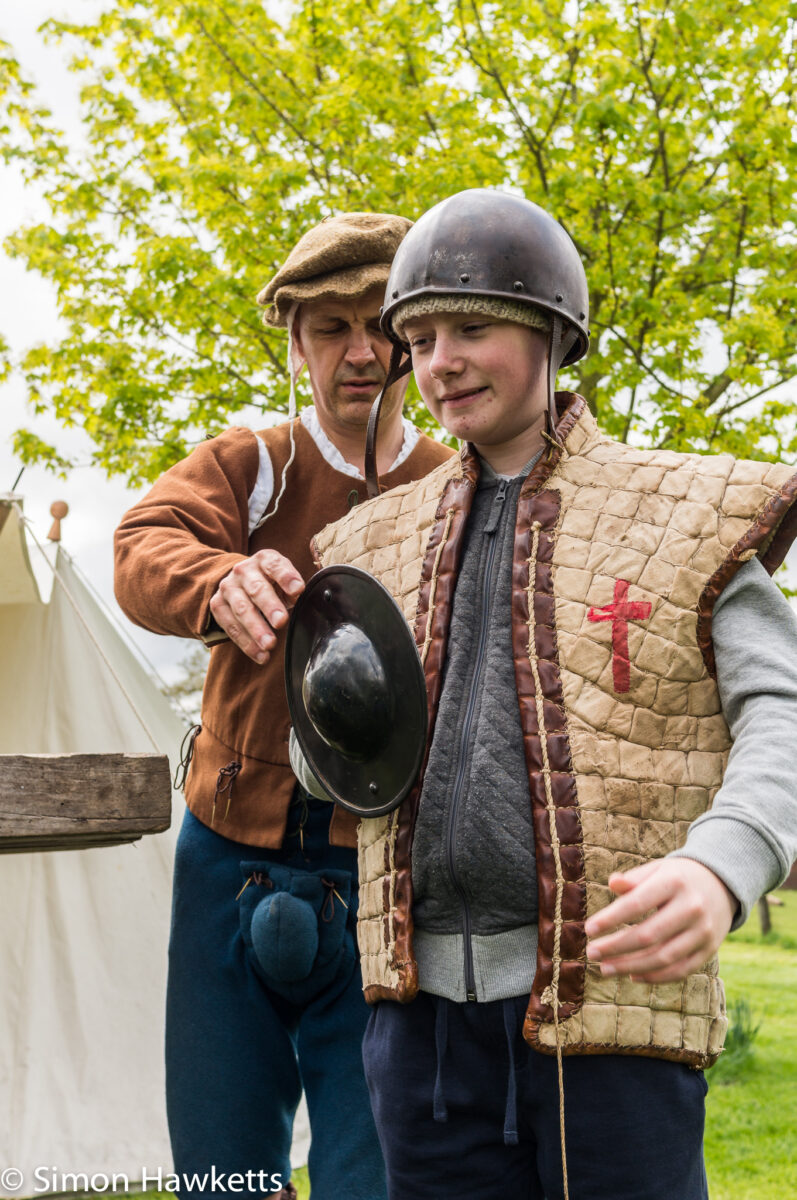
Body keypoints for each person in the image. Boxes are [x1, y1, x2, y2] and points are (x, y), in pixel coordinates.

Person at [295, 189, 797, 1199]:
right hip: (417, 1028)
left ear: (551, 333)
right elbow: (339, 757)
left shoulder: (682, 517)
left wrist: (719, 866)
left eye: (472, 326)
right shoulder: (371, 545)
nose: (439, 360)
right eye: (421, 336)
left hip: (613, 1014)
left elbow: (780, 711)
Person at [113, 211, 454, 1200]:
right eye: (327, 327)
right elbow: (142, 543)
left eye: (379, 323)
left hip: (382, 873)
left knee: (371, 1175)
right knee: (219, 1176)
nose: (358, 352)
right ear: (294, 341)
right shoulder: (253, 465)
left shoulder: (450, 484)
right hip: (223, 853)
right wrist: (215, 581)